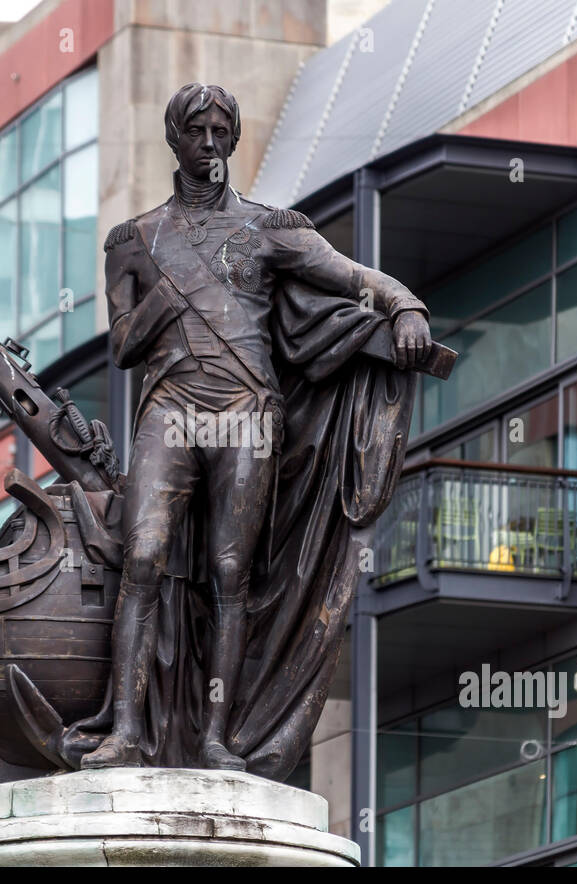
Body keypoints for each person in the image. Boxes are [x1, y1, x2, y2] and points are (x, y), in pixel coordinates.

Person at [79, 82, 435, 771]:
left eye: (220, 132)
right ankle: (125, 730)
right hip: (171, 408)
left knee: (230, 571)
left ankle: (217, 736)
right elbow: (122, 346)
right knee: (144, 557)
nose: (209, 144)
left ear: (234, 140)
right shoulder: (133, 240)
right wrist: (174, 287)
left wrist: (407, 307)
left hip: (247, 412)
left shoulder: (273, 228)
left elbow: (354, 277)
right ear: (173, 139)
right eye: (196, 131)